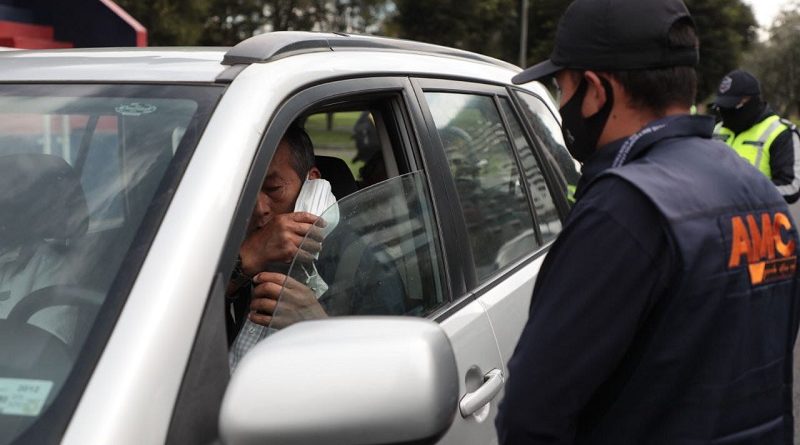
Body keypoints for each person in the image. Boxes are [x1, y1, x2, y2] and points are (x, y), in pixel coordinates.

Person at [496, 0, 800, 443]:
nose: (563, 105)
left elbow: (530, 417)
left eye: (562, 89)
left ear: (597, 90)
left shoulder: (624, 211)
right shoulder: (759, 194)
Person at [226, 124, 405, 369]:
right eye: (245, 190)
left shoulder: (365, 263)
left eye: (273, 189)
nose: (259, 208)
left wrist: (316, 324)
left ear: (312, 181)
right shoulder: (224, 243)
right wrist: (244, 259)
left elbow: (390, 373)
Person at [712, 69, 800, 203]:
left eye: (730, 107)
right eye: (722, 107)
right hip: (715, 219)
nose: (725, 112)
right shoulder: (717, 130)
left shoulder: (780, 132)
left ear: (750, 100)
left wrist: (742, 193)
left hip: (758, 220)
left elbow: (791, 187)